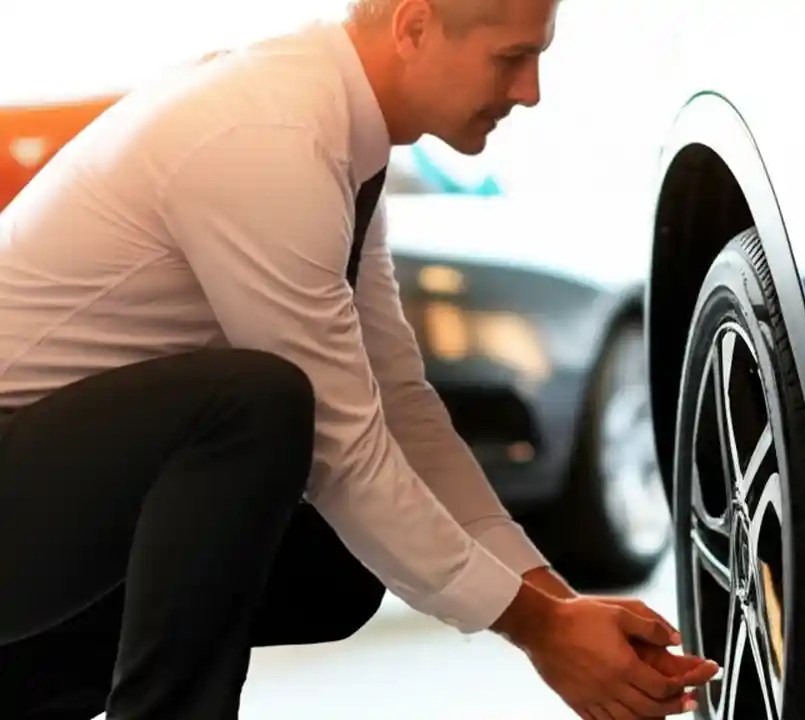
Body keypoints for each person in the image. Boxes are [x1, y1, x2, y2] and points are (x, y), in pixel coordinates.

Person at [0, 0, 718, 718]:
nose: (530, 90)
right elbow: (345, 447)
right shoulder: (270, 135)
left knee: (334, 563)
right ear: (413, 26)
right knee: (254, 407)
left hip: (41, 493)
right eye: (511, 58)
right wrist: (538, 631)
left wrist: (562, 611)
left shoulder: (338, 138)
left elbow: (400, 408)